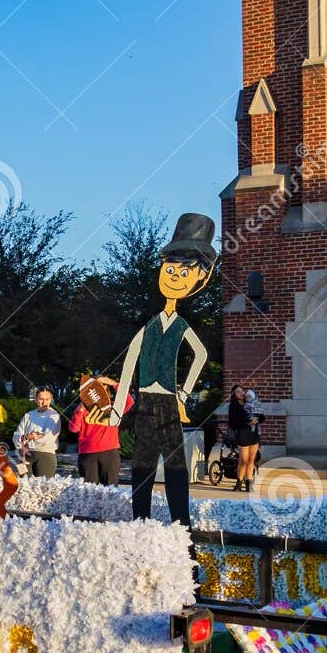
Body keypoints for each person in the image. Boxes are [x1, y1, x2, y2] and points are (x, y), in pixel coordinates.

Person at [110, 213, 216, 525]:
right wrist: (118, 409)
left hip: (168, 403)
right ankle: (139, 523)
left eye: (185, 271)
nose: (174, 276)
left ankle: (181, 526)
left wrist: (183, 392)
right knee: (142, 467)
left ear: (200, 279)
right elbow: (130, 360)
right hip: (144, 402)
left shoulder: (181, 324)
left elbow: (201, 354)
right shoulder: (151, 323)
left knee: (175, 467)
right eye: (170, 268)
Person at [70, 375, 131, 484]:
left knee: (111, 490)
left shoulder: (113, 406)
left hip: (109, 452)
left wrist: (113, 383)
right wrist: (80, 409)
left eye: (102, 386)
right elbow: (74, 429)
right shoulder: (83, 408)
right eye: (95, 387)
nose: (99, 389)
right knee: (89, 492)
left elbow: (129, 402)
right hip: (87, 453)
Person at [16, 387, 62, 478]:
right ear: (36, 399)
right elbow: (17, 437)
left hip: (45, 455)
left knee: (43, 488)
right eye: (41, 399)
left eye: (47, 399)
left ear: (51, 399)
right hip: (26, 456)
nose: (44, 402)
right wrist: (28, 437)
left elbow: (47, 438)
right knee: (24, 487)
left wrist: (29, 438)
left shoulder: (53, 416)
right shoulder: (28, 415)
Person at [227, 384, 263, 493]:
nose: (241, 393)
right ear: (234, 394)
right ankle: (239, 483)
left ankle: (248, 483)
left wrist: (258, 419)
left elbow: (261, 415)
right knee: (243, 460)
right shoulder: (233, 405)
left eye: (242, 391)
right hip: (243, 434)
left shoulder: (250, 401)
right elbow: (233, 422)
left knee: (251, 460)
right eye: (238, 392)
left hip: (253, 434)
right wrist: (247, 421)